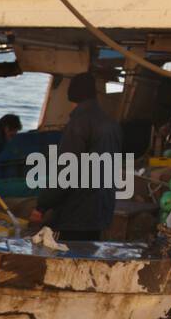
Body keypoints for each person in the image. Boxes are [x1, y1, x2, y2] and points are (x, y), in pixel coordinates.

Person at [32, 72, 123, 241]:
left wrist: (42, 206)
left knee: (69, 258)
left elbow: (67, 170)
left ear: (71, 94)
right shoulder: (111, 123)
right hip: (102, 208)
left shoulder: (79, 122)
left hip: (78, 211)